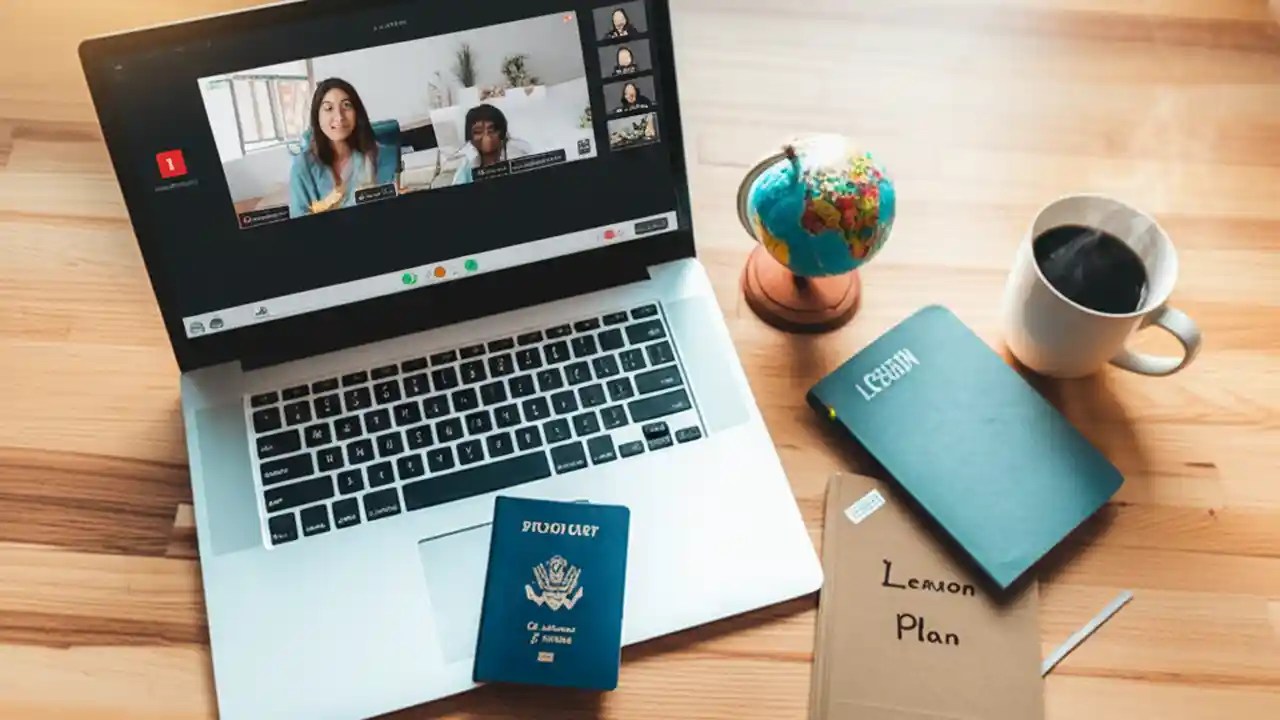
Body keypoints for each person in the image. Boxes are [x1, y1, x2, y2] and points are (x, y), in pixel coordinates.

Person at [288, 78, 399, 218]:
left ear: (357, 112)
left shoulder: (382, 156)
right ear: (317, 117)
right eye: (329, 108)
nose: (339, 117)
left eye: (346, 106)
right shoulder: (302, 167)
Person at [451, 104, 529, 186]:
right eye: (478, 132)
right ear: (469, 137)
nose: (486, 135)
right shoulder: (466, 168)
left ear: (502, 133)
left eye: (491, 130)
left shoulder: (518, 160)